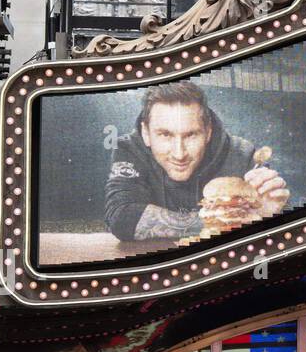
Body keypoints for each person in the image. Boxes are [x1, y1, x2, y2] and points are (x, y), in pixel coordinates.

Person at [104, 81, 290, 241]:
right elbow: (122, 218)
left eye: (191, 135)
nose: (179, 154)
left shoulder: (244, 153)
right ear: (146, 133)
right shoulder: (129, 149)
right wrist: (232, 221)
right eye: (165, 135)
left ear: (208, 132)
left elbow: (272, 228)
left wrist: (273, 217)